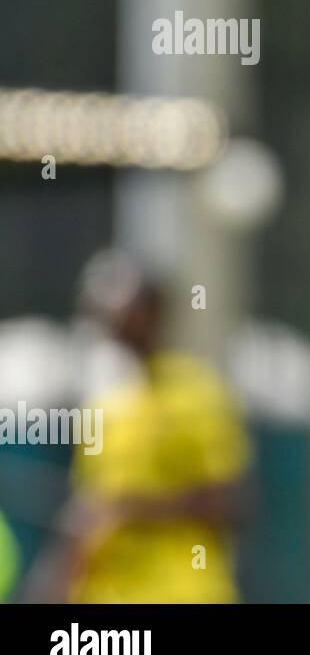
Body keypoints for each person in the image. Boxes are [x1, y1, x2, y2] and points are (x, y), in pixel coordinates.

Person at [29, 251, 251, 603]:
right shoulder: (106, 405)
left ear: (154, 309)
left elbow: (231, 502)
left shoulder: (195, 391)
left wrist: (131, 510)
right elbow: (90, 513)